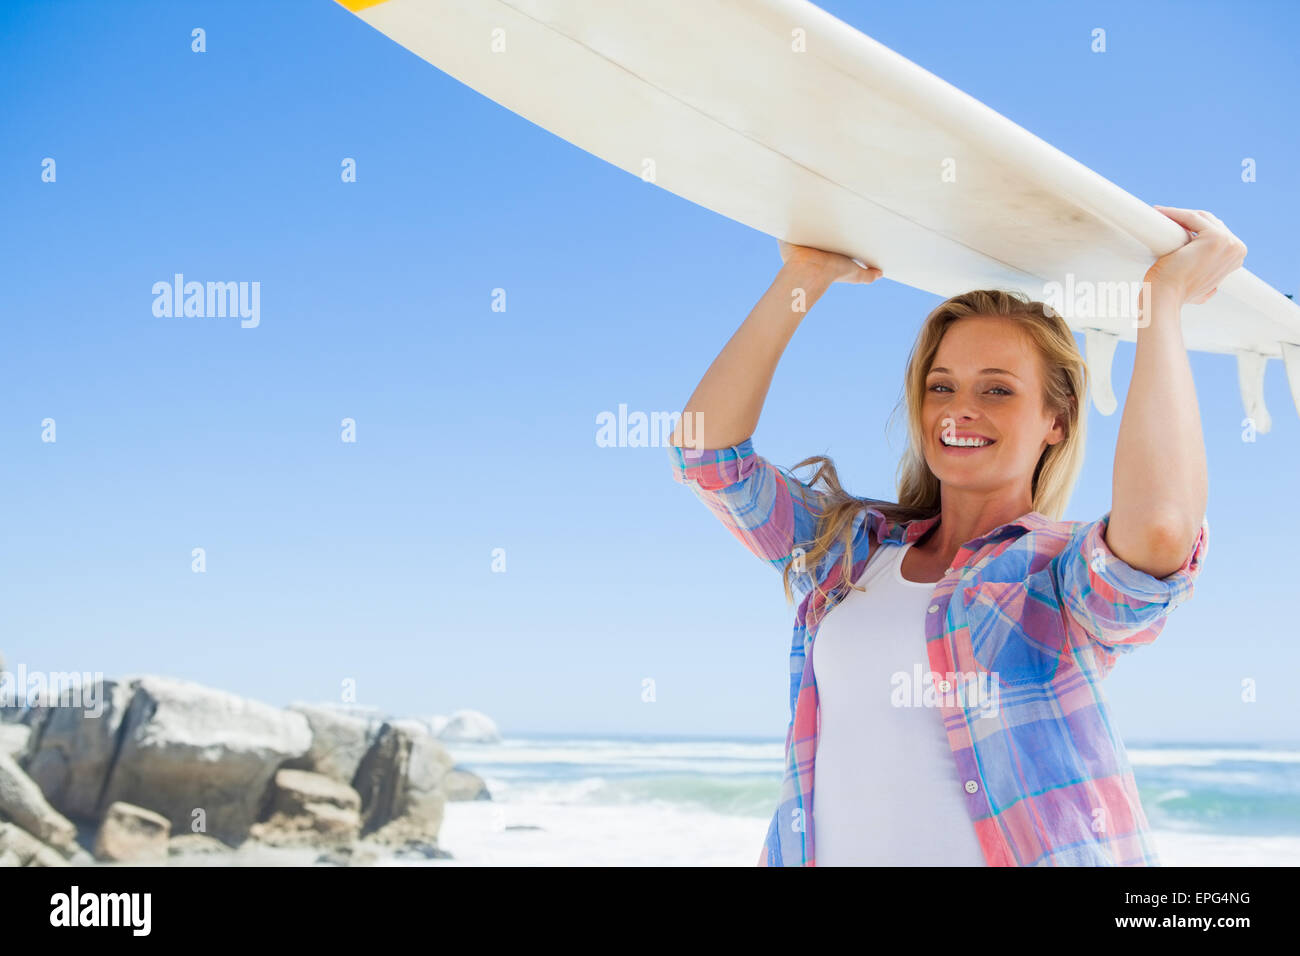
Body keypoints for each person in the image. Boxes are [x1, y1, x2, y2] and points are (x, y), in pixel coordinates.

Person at [666, 206, 1245, 866]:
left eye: (997, 390)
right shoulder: (850, 552)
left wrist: (1161, 305)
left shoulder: (1053, 573)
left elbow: (1164, 527)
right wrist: (804, 276)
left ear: (1055, 421)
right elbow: (706, 455)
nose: (959, 408)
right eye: (941, 386)